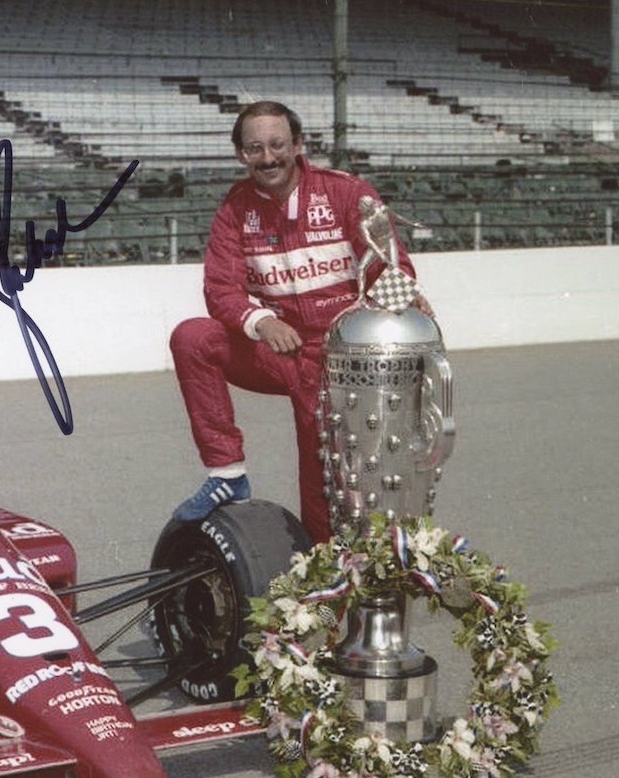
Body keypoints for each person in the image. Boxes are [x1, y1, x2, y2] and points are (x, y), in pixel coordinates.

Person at [170, 101, 431, 542]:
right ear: (240, 154)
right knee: (193, 338)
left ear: (298, 145)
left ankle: (331, 582)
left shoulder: (348, 193)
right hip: (281, 352)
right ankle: (227, 471)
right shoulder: (235, 209)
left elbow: (394, 272)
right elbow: (221, 289)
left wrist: (378, 323)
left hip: (341, 362)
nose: (267, 158)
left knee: (322, 488)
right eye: (255, 148)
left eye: (277, 145)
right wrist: (263, 322)